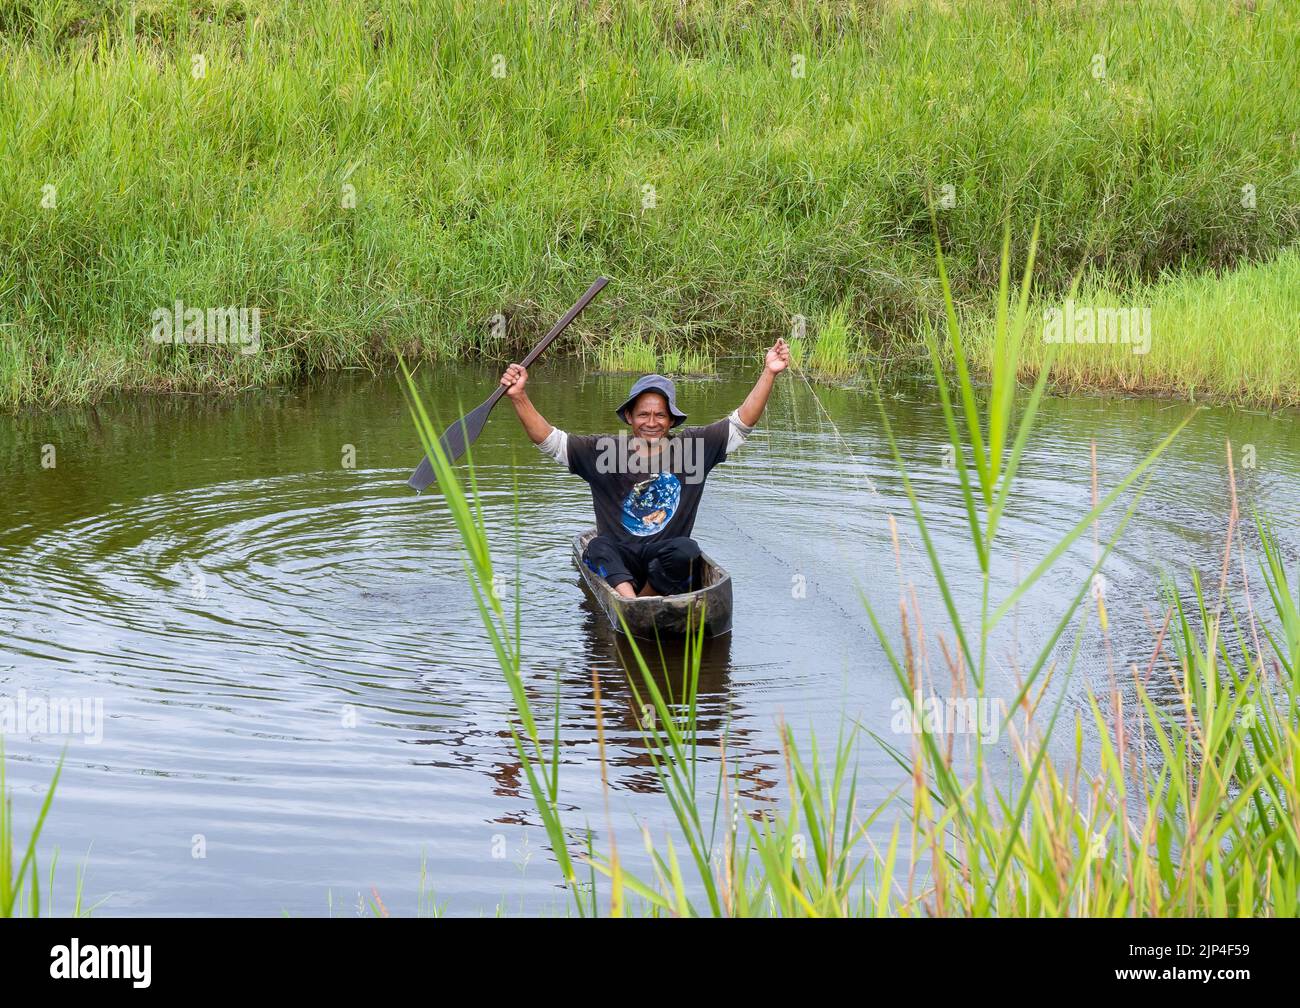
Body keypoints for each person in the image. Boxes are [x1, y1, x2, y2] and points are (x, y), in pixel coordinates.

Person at [500, 338, 790, 598]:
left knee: (686, 551)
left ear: (672, 420)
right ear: (629, 416)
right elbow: (550, 440)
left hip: (661, 561)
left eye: (660, 415)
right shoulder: (604, 451)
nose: (652, 422)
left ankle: (645, 599)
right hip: (619, 556)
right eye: (643, 415)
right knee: (598, 548)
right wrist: (519, 397)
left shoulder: (693, 448)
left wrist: (769, 372)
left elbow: (741, 423)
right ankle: (628, 600)